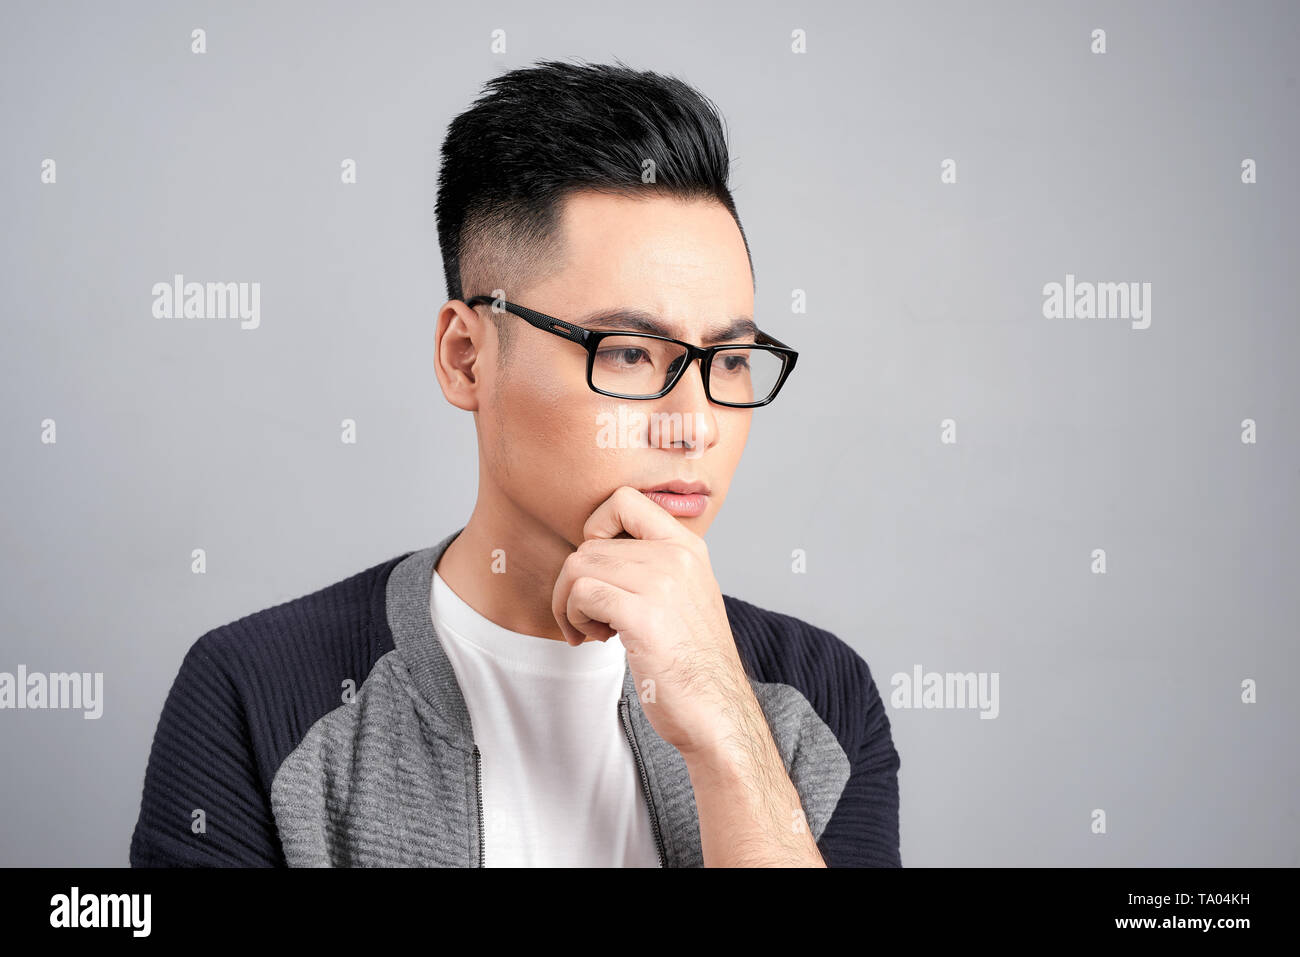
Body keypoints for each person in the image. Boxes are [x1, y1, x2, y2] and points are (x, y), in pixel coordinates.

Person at [130, 57, 901, 868]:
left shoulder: (816, 700)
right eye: (632, 353)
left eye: (732, 359)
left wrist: (726, 735)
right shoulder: (257, 694)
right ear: (468, 357)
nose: (696, 426)